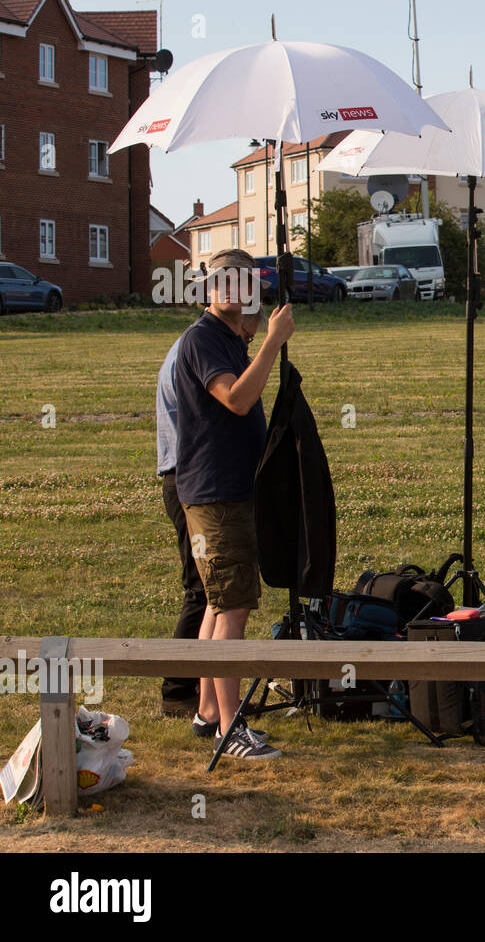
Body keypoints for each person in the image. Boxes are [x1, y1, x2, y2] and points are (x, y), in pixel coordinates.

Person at [174, 247, 293, 760]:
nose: (234, 289)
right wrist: (271, 342)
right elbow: (237, 399)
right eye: (223, 280)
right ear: (208, 287)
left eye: (245, 282)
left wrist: (252, 334)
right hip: (218, 495)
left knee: (217, 605)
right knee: (234, 609)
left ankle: (207, 712)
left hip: (224, 490)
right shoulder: (203, 340)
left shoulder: (225, 338)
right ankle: (230, 730)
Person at [156, 305, 263, 717]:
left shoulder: (198, 345)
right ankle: (182, 692)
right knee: (206, 593)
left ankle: (206, 706)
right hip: (195, 481)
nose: (247, 340)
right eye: (249, 332)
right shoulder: (202, 347)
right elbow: (228, 406)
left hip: (190, 478)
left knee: (211, 597)